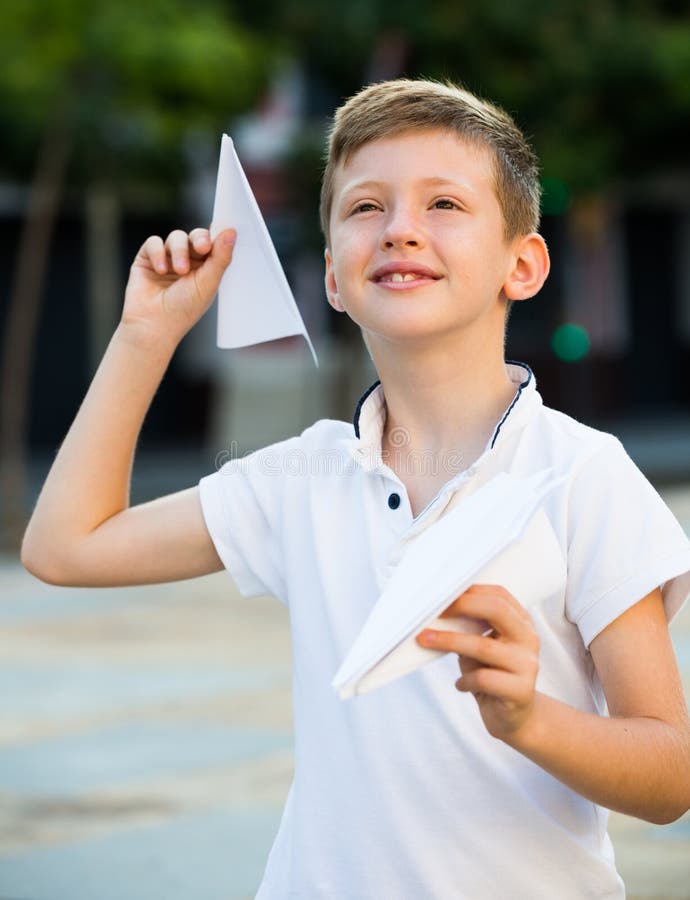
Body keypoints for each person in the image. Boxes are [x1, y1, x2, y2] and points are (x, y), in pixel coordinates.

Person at [22, 78, 690, 898]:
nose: (401, 229)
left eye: (444, 204)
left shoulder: (583, 476)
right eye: (366, 208)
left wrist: (530, 719)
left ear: (523, 264)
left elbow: (669, 776)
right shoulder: (302, 478)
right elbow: (63, 547)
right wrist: (144, 334)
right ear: (334, 276)